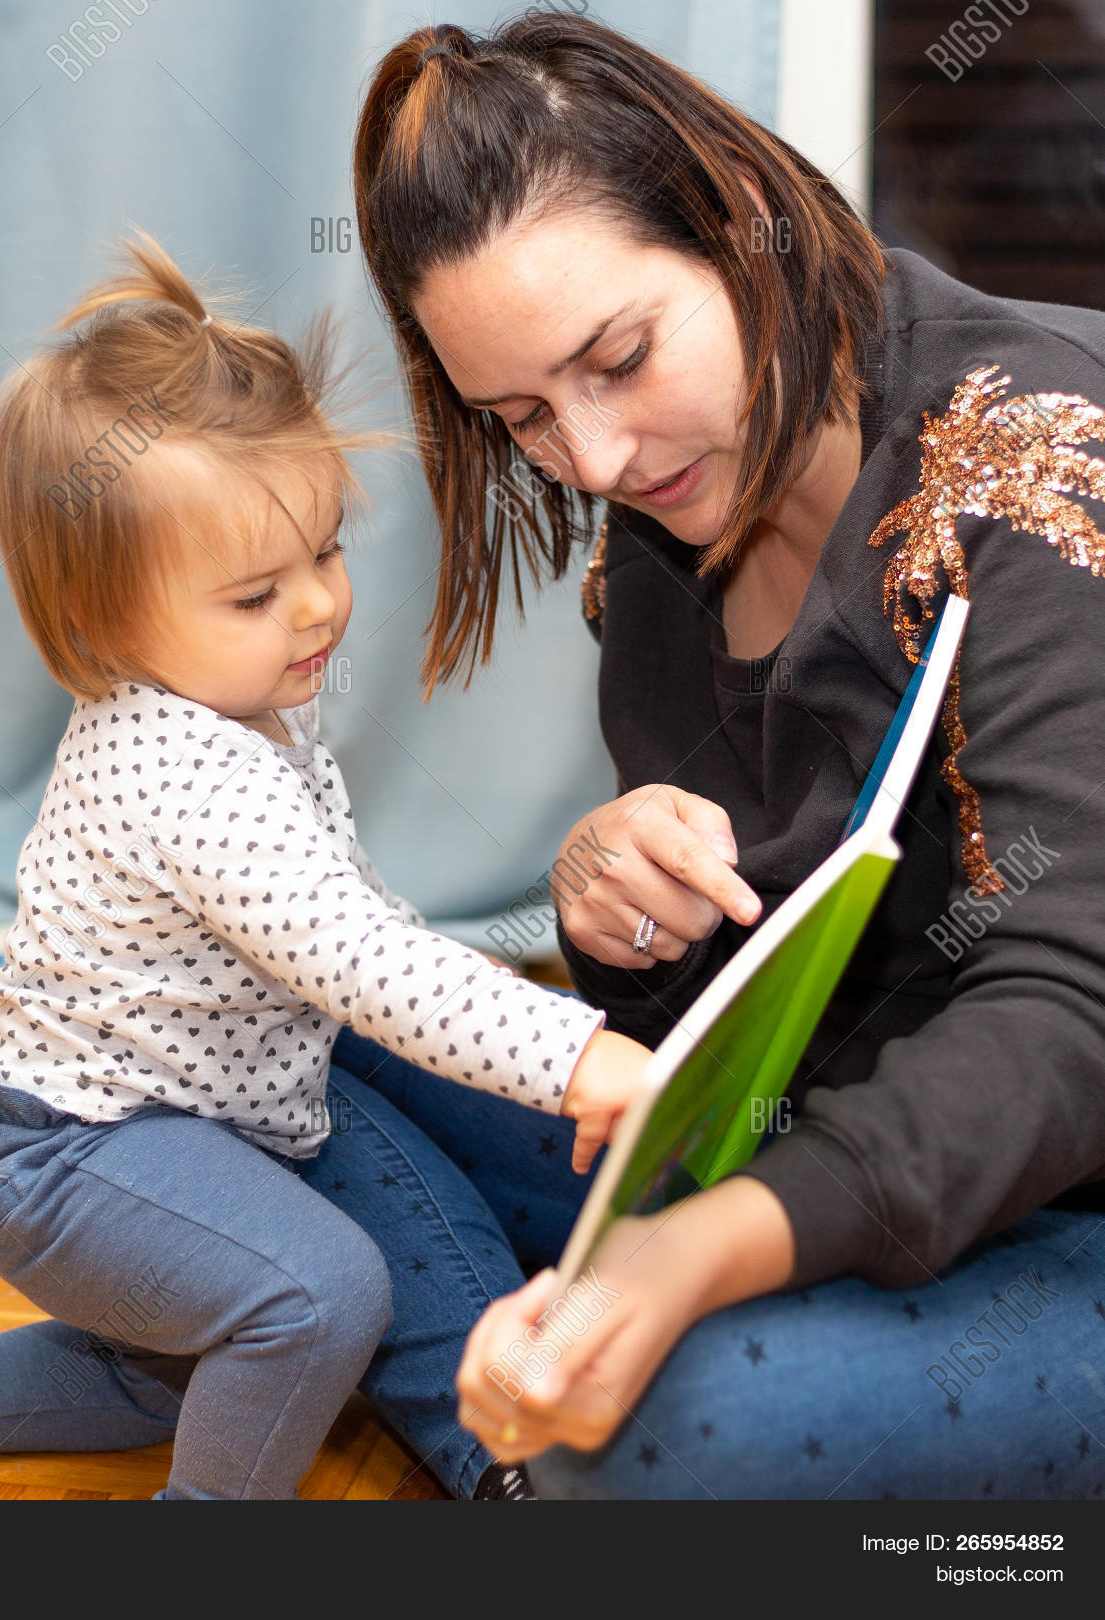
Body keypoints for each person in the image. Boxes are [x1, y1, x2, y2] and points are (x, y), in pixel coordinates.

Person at [0, 230, 653, 1501]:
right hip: (76, 1160)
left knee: (201, 1361)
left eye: (326, 554)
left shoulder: (248, 705)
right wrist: (574, 1052)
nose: (320, 609)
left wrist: (542, 1036)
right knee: (316, 1301)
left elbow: (357, 918)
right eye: (257, 593)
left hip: (217, 1109)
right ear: (109, 626)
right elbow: (366, 959)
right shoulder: (181, 770)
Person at [346, 13, 1105, 1498]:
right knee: (286, 1035)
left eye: (618, 359)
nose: (599, 458)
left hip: (1054, 1198)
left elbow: (1070, 1015)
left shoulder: (1035, 461)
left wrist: (692, 1252)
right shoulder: (658, 518)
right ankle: (530, 1455)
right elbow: (744, 1002)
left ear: (743, 219)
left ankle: (565, 1429)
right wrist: (609, 913)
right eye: (525, 421)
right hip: (815, 1151)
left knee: (687, 1425)